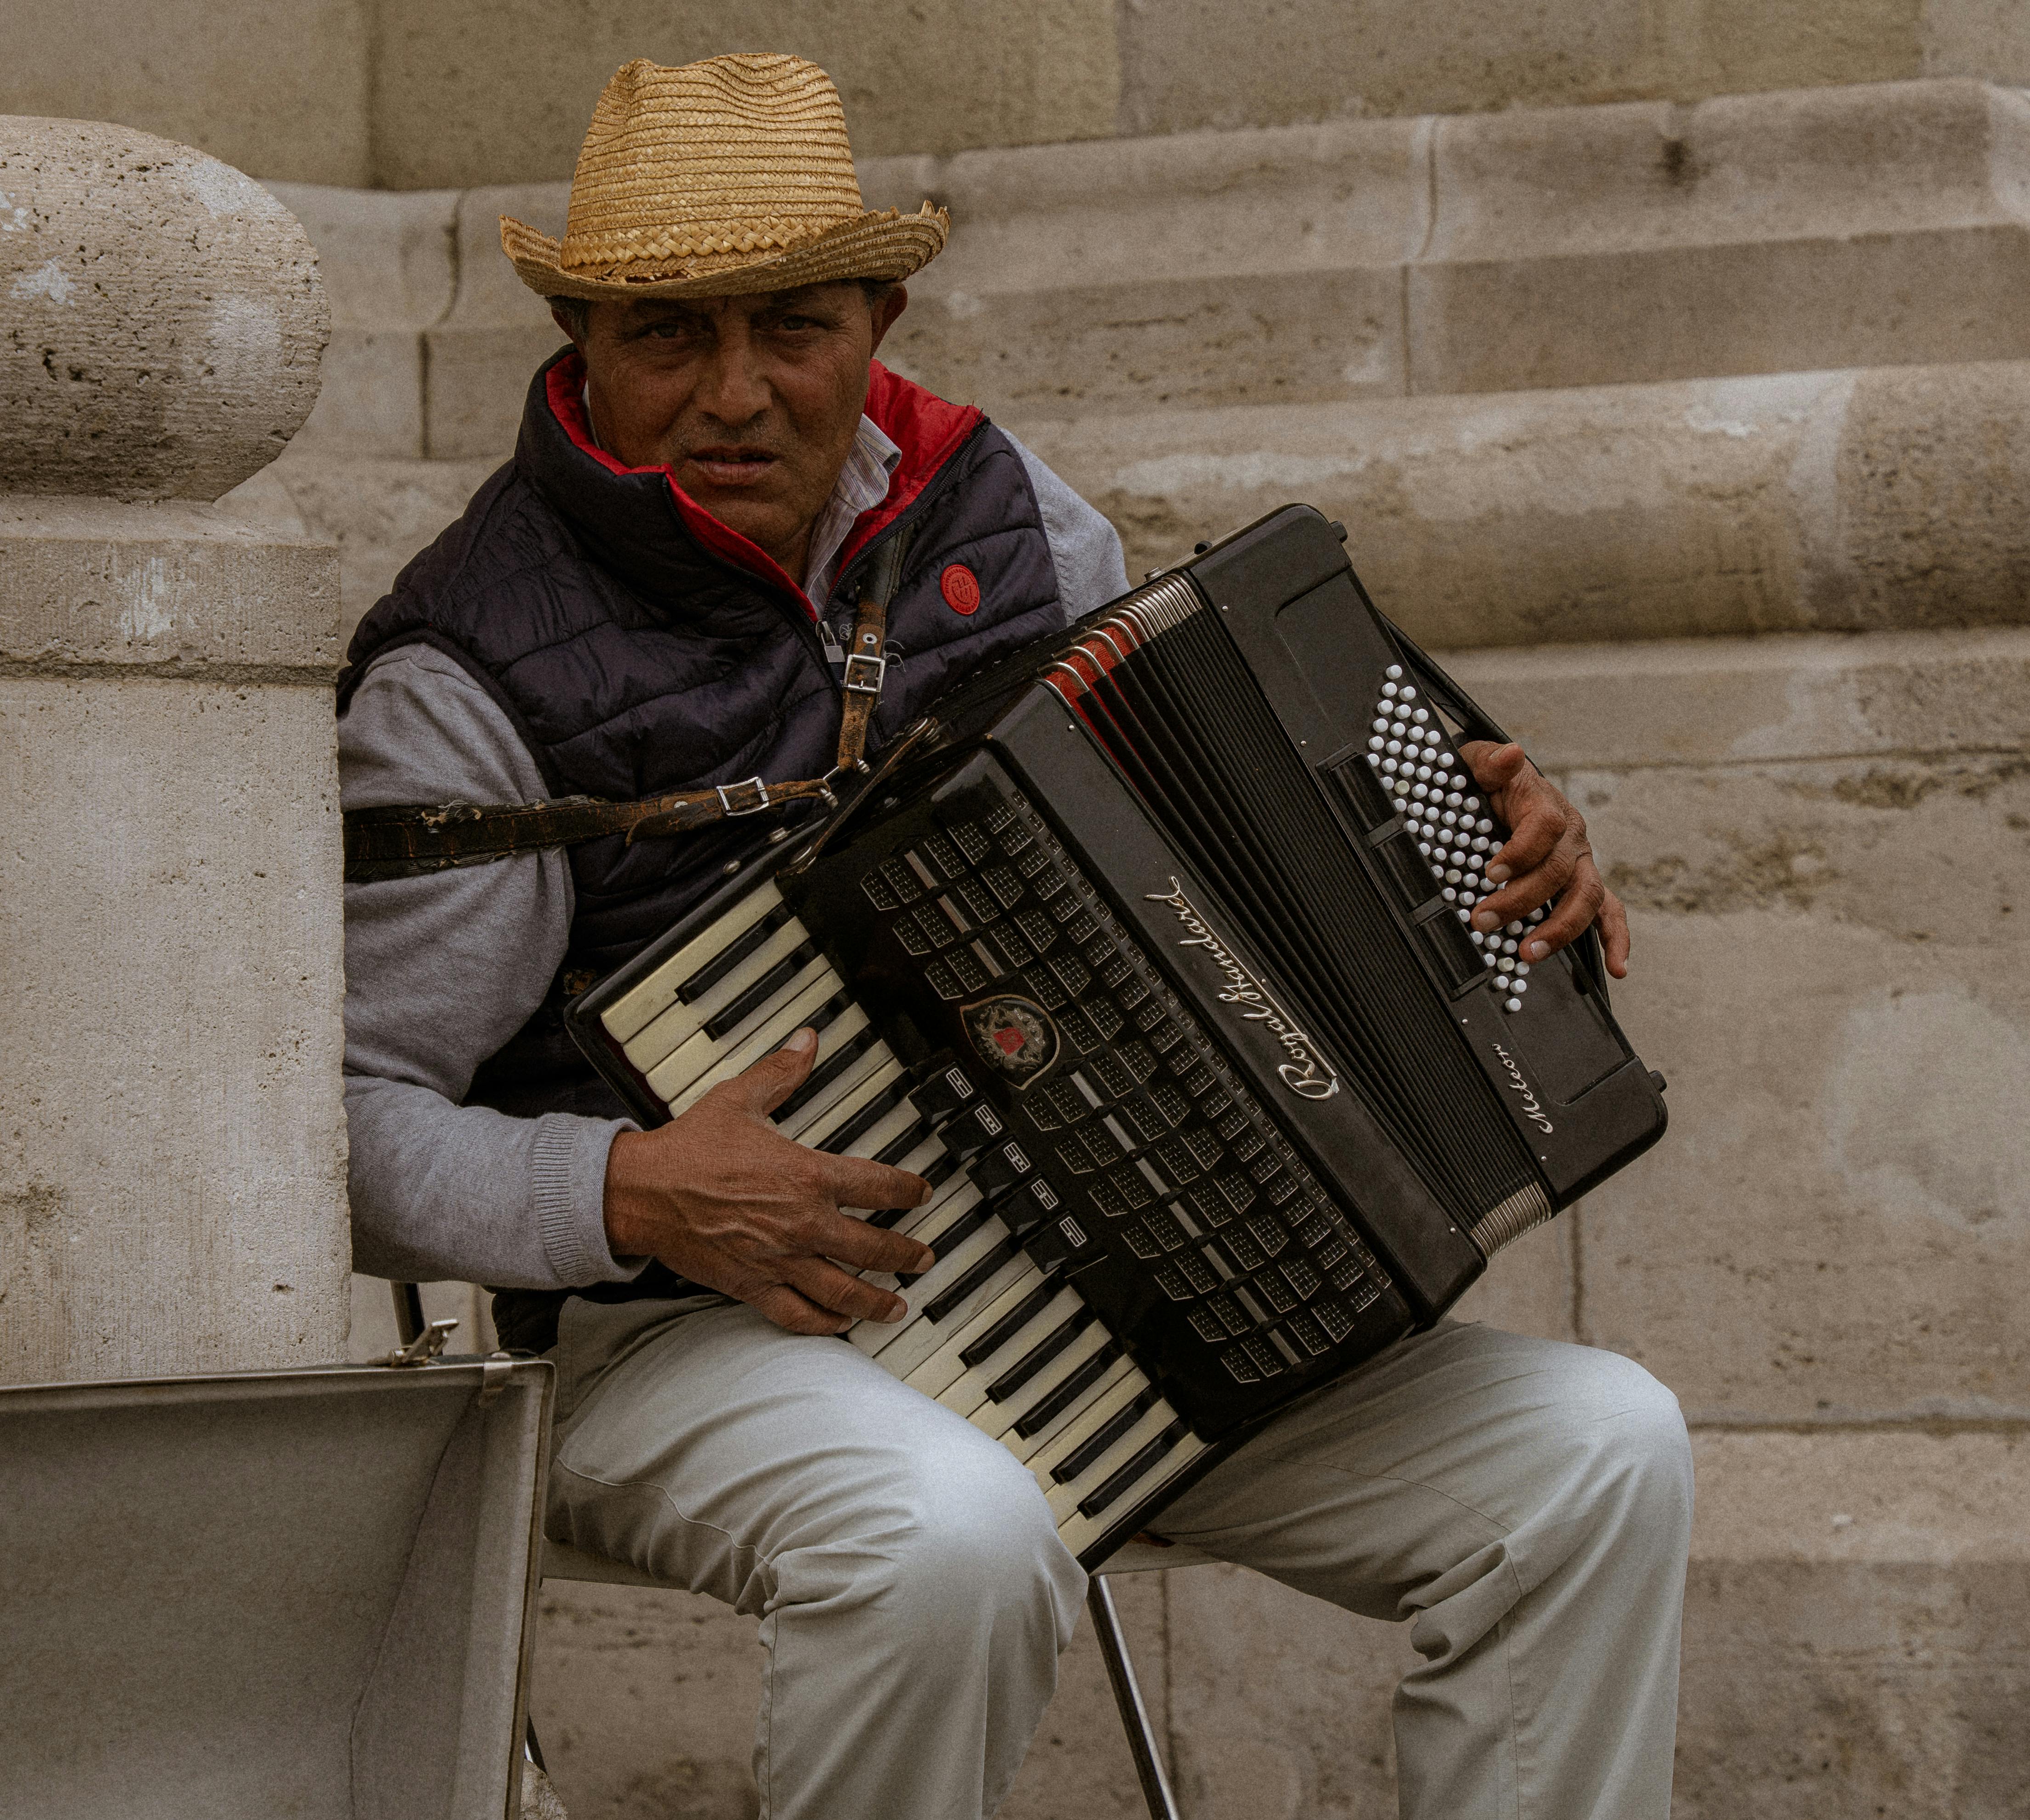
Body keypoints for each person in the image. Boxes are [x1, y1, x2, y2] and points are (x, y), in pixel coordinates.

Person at [340, 50, 1691, 1820]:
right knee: (949, 1531)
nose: (735, 393)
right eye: (669, 334)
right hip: (676, 1333)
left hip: (1125, 1299)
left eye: (794, 326)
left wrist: (1468, 844)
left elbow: (1221, 838)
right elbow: (338, 1128)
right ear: (579, 336)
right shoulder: (465, 674)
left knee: (1601, 1451)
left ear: (880, 320)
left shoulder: (1019, 526)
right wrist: (626, 1190)